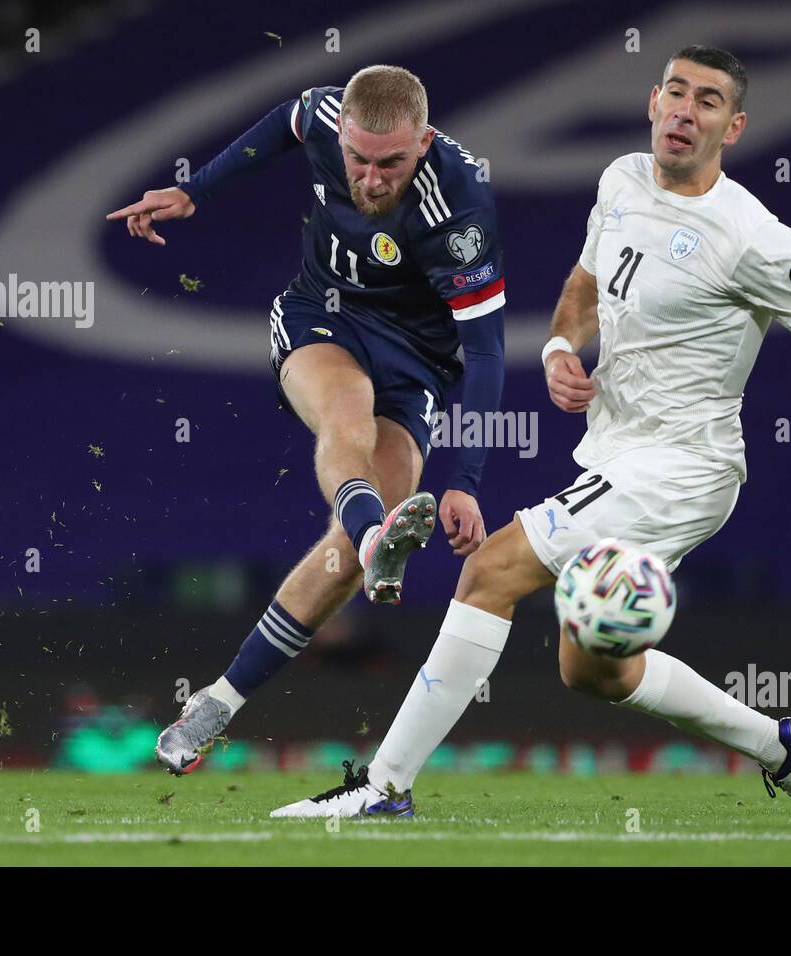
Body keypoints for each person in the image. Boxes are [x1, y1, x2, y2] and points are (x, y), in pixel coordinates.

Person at [270, 46, 791, 818]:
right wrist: (559, 349)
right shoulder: (622, 181)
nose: (685, 110)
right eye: (676, 92)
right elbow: (584, 289)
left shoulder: (752, 237)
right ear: (652, 103)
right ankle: (786, 747)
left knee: (490, 570)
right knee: (594, 668)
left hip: (684, 468)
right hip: (616, 455)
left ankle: (384, 787)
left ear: (733, 128)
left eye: (708, 101)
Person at [105, 65, 507, 775]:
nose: (371, 179)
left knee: (345, 558)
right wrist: (195, 191)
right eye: (358, 159)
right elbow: (282, 123)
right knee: (346, 412)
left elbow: (485, 351)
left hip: (419, 362)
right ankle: (375, 533)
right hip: (323, 316)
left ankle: (218, 702)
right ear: (342, 132)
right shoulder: (324, 115)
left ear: (424, 141)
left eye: (391, 164)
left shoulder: (461, 210)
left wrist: (467, 481)